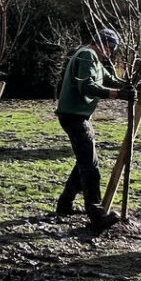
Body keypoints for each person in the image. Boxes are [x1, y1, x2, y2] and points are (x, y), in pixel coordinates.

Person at [55, 27, 134, 224]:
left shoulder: (95, 61)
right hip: (74, 117)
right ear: (104, 44)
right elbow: (86, 86)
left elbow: (113, 80)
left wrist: (134, 85)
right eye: (110, 48)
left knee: (84, 161)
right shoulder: (87, 55)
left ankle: (65, 204)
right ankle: (96, 214)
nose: (110, 52)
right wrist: (117, 95)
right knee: (90, 167)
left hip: (77, 116)